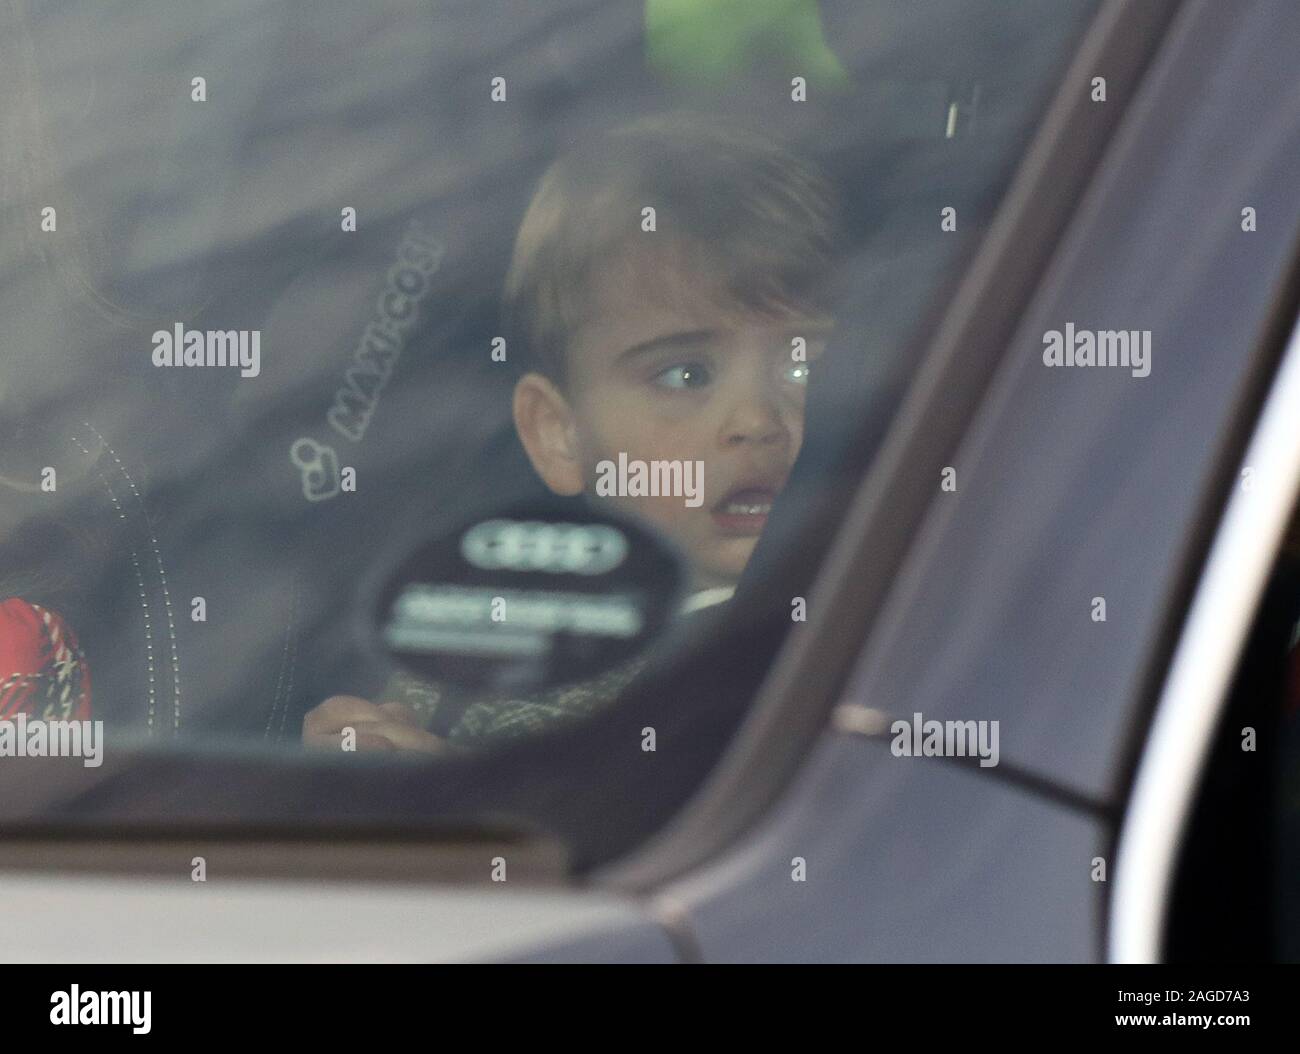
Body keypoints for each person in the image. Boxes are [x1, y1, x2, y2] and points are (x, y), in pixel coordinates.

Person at [303, 112, 842, 754]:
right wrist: (361, 746)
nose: (757, 421)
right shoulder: (494, 631)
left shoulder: (842, 645)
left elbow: (674, 812)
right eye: (686, 373)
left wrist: (457, 797)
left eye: (802, 364)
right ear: (559, 436)